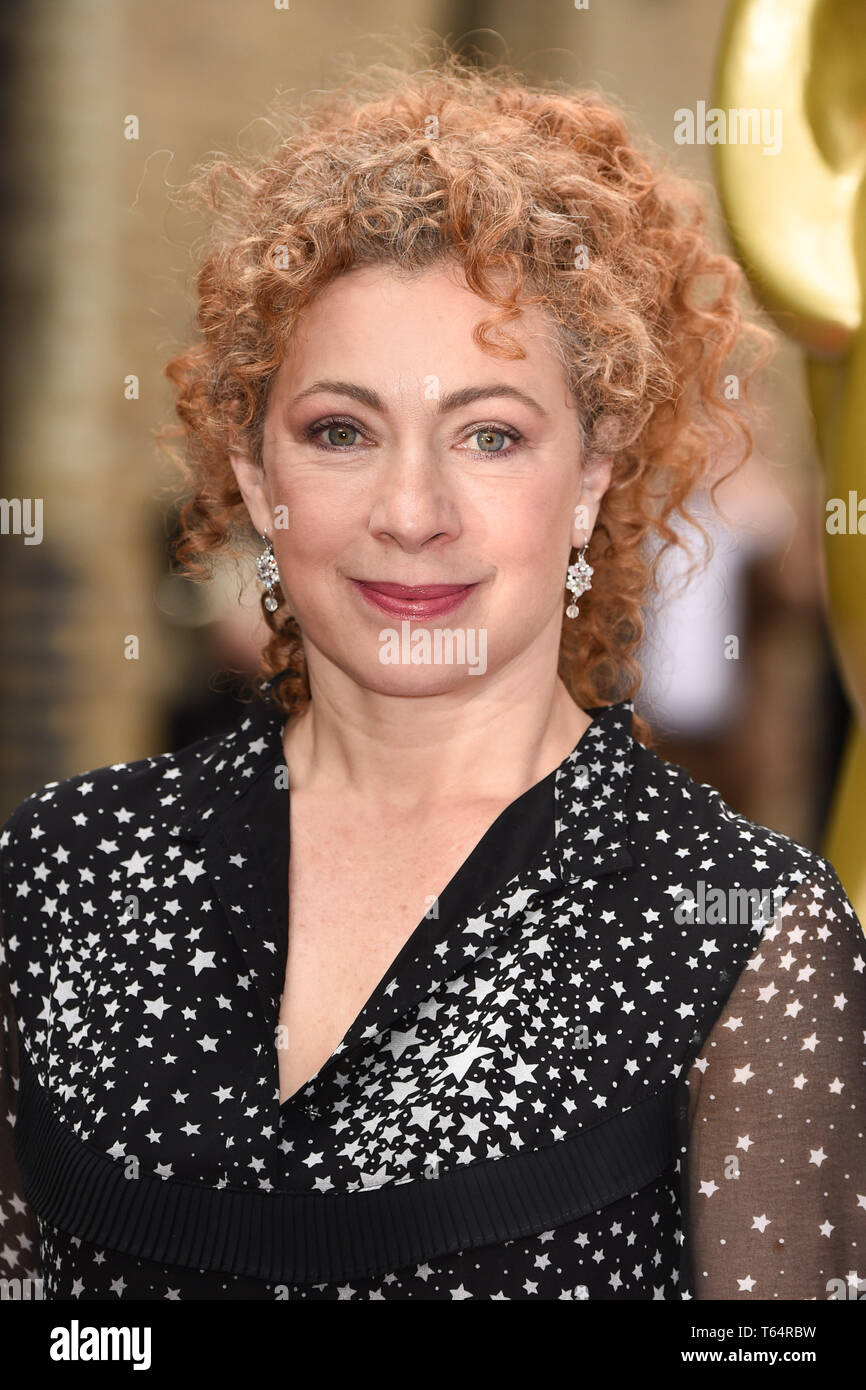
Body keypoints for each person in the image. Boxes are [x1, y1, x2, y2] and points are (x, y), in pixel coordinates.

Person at [1, 53, 864, 1302]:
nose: (412, 512)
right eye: (340, 431)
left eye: (490, 434)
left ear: (588, 479)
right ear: (255, 481)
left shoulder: (737, 931)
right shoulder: (64, 873)